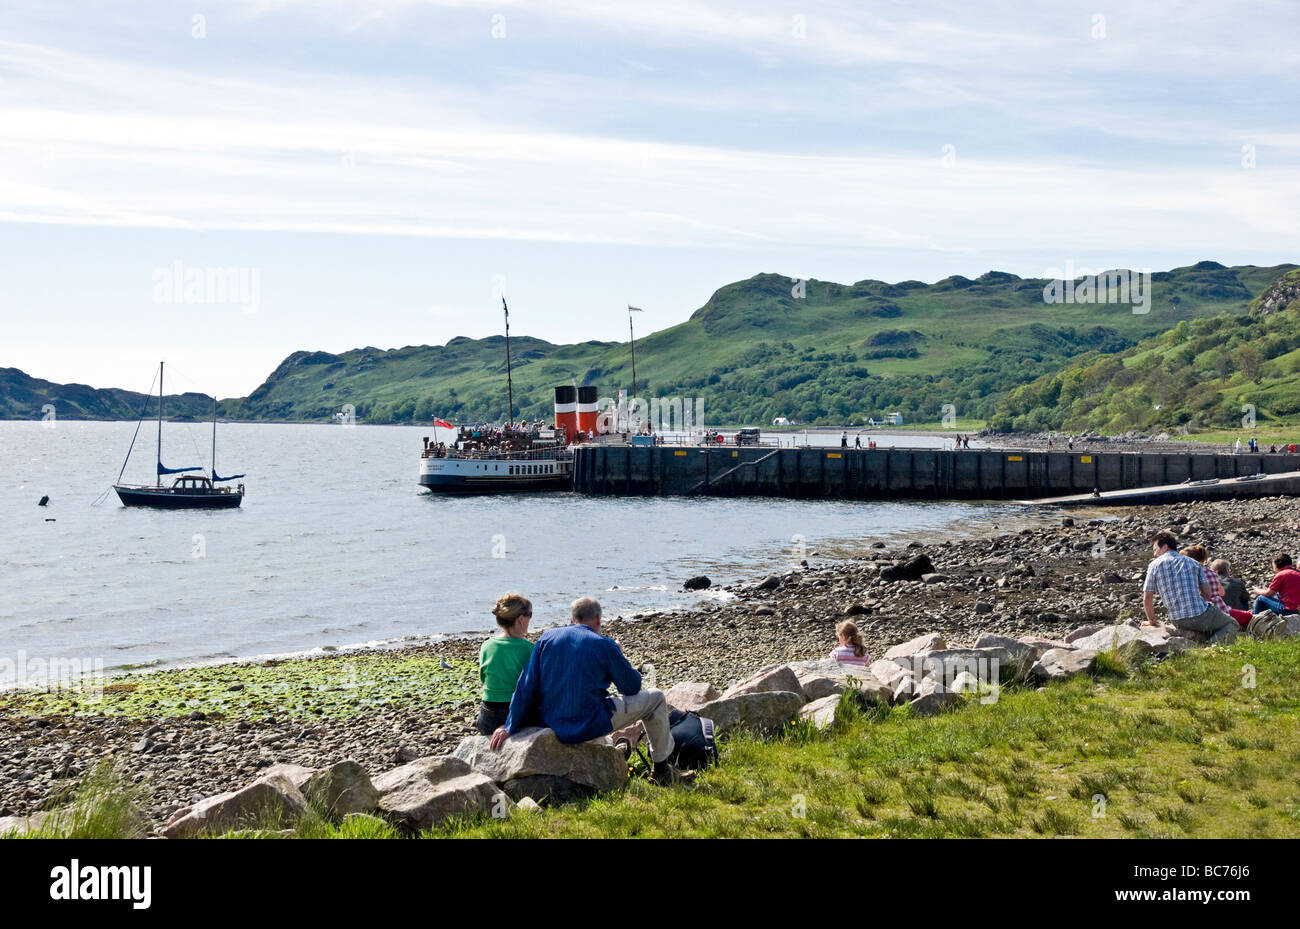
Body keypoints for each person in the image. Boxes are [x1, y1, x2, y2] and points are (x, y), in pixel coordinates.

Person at [489, 597, 692, 785]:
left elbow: (525, 685)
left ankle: (617, 752)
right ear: (597, 619)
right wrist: (618, 656)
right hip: (589, 722)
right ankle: (661, 770)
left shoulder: (546, 638)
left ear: (571, 619)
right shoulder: (603, 645)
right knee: (656, 697)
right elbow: (631, 687)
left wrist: (510, 725)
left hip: (552, 722)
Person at [1141, 531, 1237, 644]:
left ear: (1165, 547)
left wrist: (1151, 621)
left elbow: (1147, 598)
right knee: (1232, 623)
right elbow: (1207, 593)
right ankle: (1212, 647)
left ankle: (1203, 642)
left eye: (1155, 550)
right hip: (1199, 614)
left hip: (1177, 620)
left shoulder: (1154, 565)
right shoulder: (1193, 563)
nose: (1154, 554)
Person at [475, 594, 535, 736]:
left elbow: (483, 678)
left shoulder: (487, 645)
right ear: (521, 619)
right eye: (530, 615)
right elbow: (534, 684)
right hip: (515, 712)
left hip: (487, 717)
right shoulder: (528, 648)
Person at [1182, 546, 1253, 630]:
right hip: (1220, 610)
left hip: (1201, 613)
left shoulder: (1186, 575)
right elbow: (1222, 593)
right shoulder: (1210, 573)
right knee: (1249, 616)